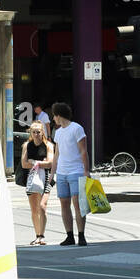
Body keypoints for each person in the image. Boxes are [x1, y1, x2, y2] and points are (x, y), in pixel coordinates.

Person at [50, 101, 90, 246]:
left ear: (59, 115)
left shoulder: (77, 128)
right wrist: (52, 173)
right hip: (61, 172)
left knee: (77, 204)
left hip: (76, 171)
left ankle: (81, 235)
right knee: (64, 204)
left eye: (54, 116)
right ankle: (69, 236)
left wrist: (86, 171)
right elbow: (56, 154)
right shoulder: (58, 132)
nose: (53, 119)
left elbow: (83, 151)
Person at [21, 121, 55, 245]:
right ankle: (37, 235)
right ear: (30, 133)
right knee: (34, 209)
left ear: (42, 132)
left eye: (38, 132)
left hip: (45, 177)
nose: (36, 134)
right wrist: (41, 162)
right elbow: (24, 164)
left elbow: (50, 163)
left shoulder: (48, 145)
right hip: (31, 177)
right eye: (33, 132)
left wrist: (35, 162)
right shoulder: (27, 145)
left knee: (42, 206)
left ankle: (42, 235)